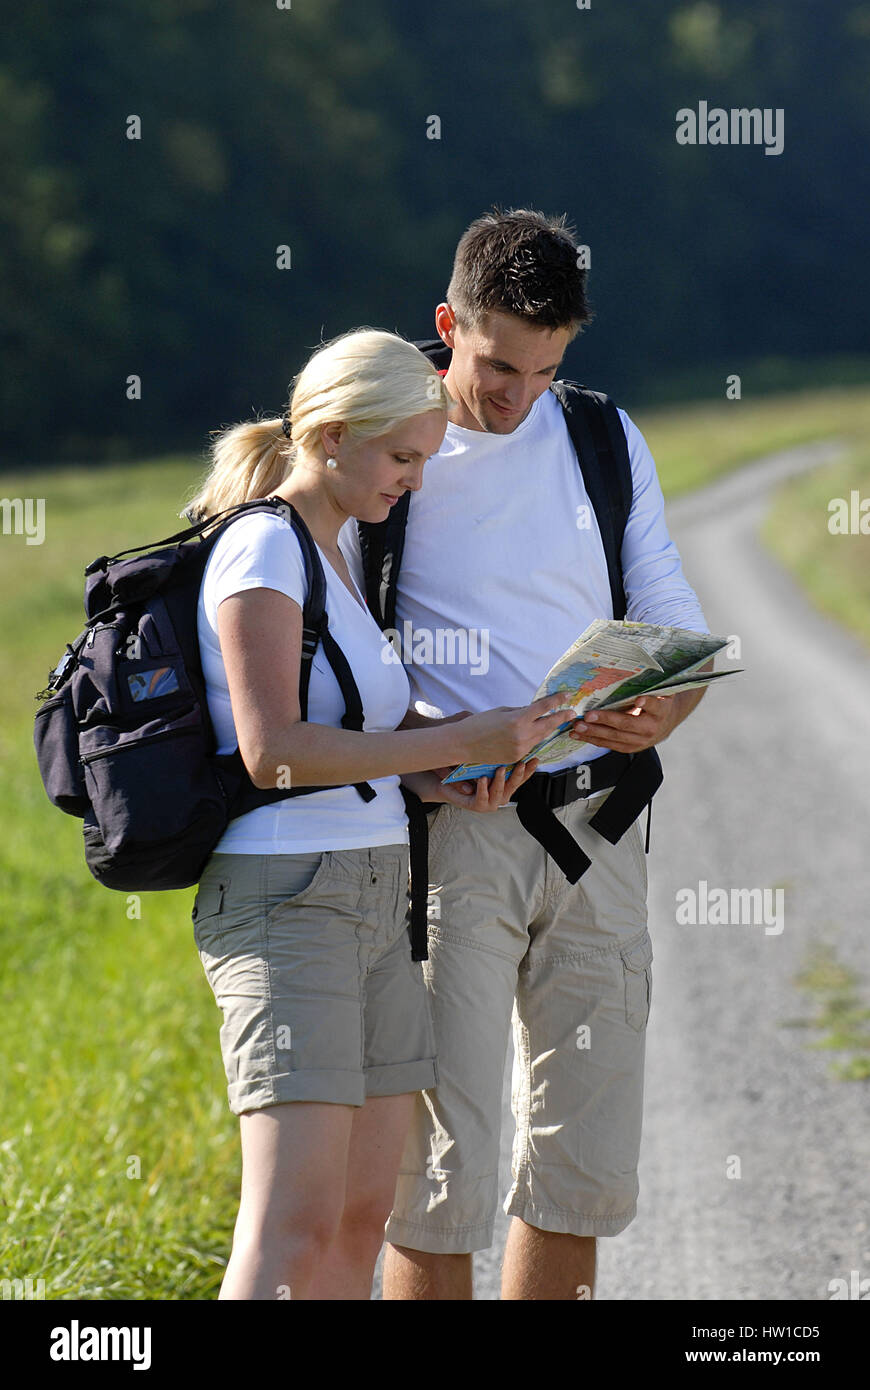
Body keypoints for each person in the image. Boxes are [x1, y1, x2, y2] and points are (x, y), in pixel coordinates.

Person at [341, 211, 712, 1300]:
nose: (517, 396)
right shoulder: (381, 436)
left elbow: (672, 619)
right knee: (440, 1178)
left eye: (545, 370)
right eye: (499, 364)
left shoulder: (602, 435)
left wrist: (664, 706)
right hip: (446, 838)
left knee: (574, 1172)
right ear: (450, 323)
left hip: (597, 831)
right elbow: (328, 648)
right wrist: (433, 751)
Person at [185, 327, 571, 1300]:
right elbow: (274, 752)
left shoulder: (339, 553)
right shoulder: (262, 547)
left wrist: (452, 772)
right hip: (288, 901)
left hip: (379, 899)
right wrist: (451, 740)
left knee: (362, 1222)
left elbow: (361, 746)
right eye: (403, 457)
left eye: (424, 459)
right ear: (332, 435)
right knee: (291, 1224)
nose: (415, 481)